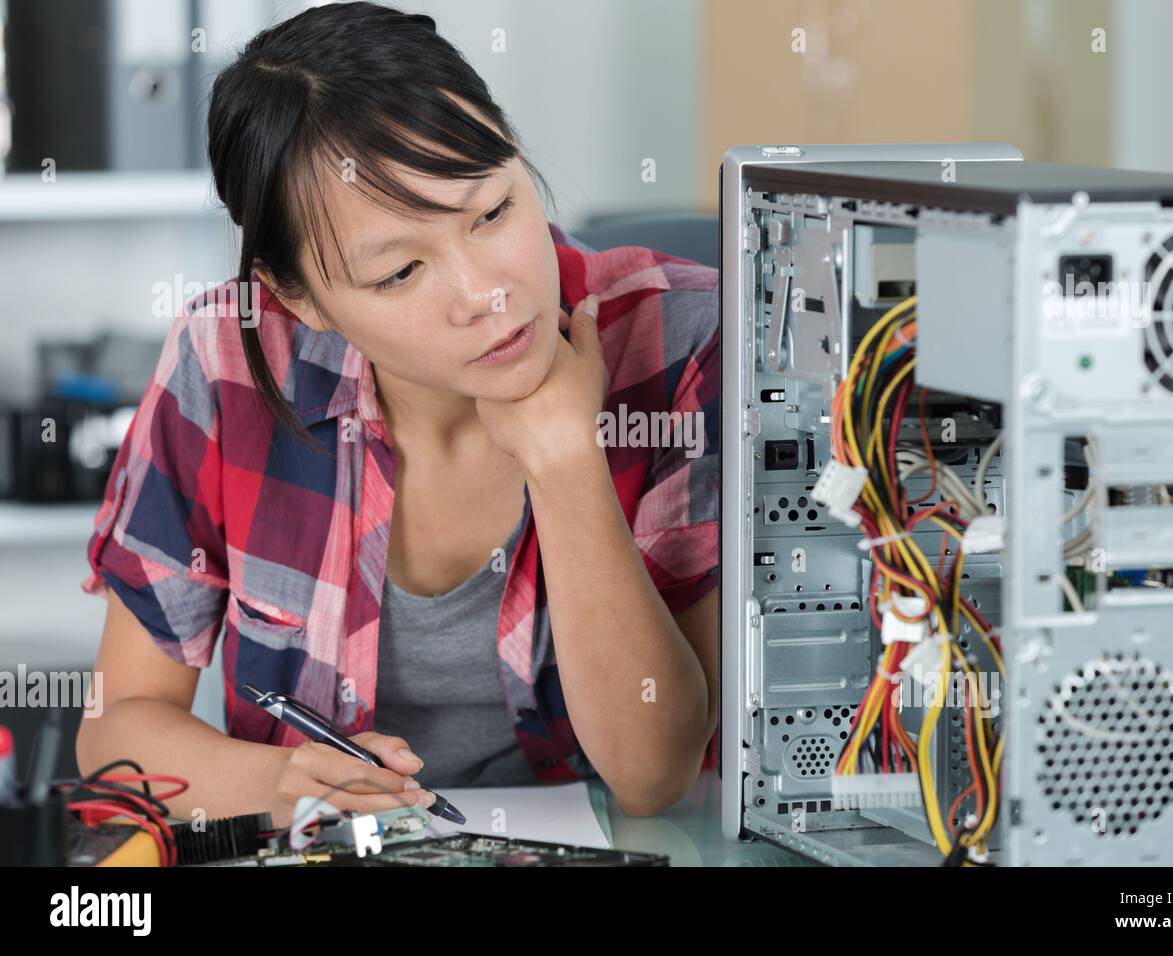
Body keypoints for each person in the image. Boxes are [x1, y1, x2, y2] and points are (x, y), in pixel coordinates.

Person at [77, 1, 719, 828]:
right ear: (297, 298)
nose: (488, 295)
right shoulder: (226, 362)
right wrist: (287, 784)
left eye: (492, 212)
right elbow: (116, 730)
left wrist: (563, 462)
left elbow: (653, 775)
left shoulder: (685, 337)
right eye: (400, 273)